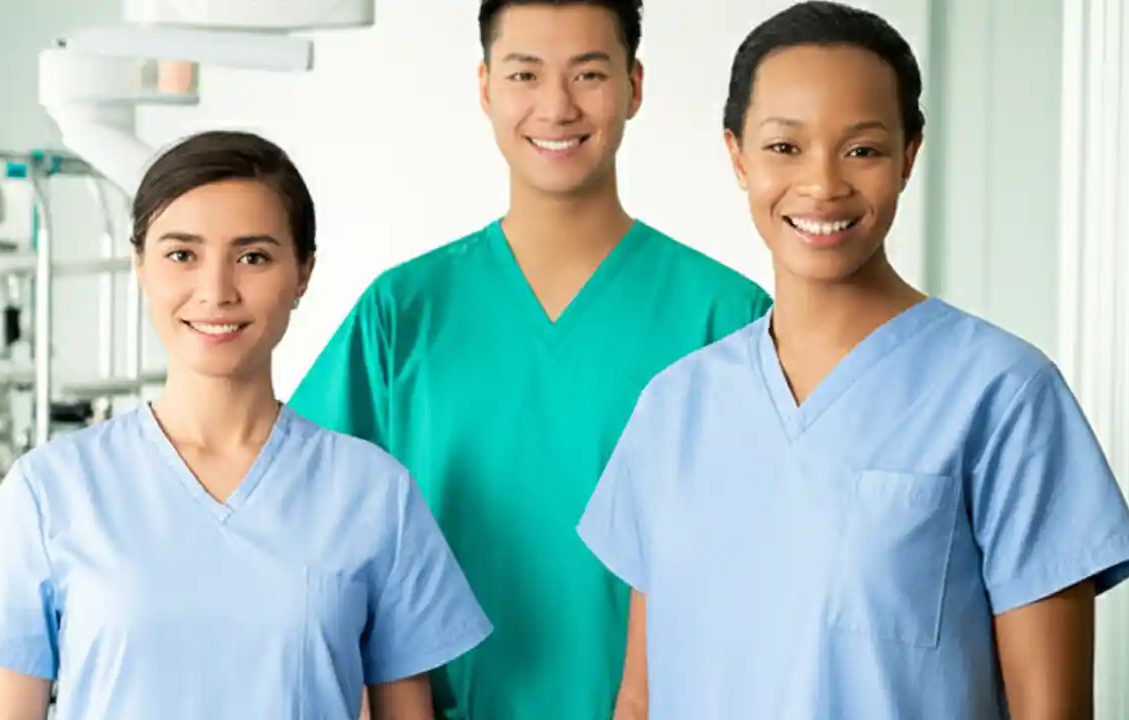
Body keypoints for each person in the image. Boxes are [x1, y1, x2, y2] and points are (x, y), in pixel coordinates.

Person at [576, 2, 1129, 718]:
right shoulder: (674, 409)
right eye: (785, 147)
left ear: (909, 155)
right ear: (737, 156)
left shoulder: (1003, 395)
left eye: (862, 149)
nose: (823, 185)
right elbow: (640, 700)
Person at [288, 1, 771, 717]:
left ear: (635, 85)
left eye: (588, 74)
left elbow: (771, 569)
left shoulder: (725, 319)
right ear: (485, 86)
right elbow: (297, 519)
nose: (557, 106)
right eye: (525, 73)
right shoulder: (405, 313)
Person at [0, 130, 492, 720]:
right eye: (182, 254)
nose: (216, 292)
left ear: (303, 274)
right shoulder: (51, 490)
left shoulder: (374, 493)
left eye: (253, 257)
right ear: (139, 266)